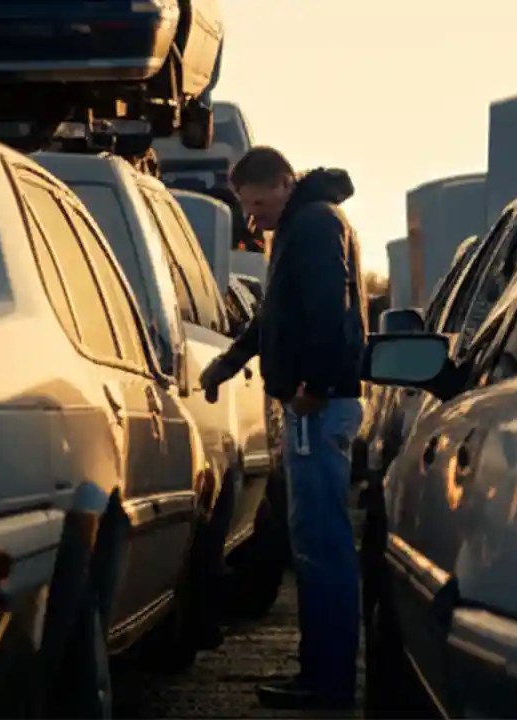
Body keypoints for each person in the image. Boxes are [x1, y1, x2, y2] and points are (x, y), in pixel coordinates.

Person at [199, 147, 366, 710]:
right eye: (247, 207)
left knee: (322, 547)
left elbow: (328, 307)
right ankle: (323, 673)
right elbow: (278, 313)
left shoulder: (314, 226)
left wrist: (312, 388)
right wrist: (229, 362)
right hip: (314, 403)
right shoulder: (306, 223)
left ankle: (327, 680)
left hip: (317, 408)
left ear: (286, 183)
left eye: (259, 202)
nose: (253, 217)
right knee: (319, 544)